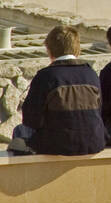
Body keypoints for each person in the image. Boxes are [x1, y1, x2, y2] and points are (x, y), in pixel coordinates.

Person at [10, 25, 105, 155]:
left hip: (58, 145)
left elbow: (30, 120)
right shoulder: (91, 74)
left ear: (49, 51)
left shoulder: (46, 76)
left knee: (20, 131)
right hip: (94, 143)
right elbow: (98, 112)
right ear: (78, 50)